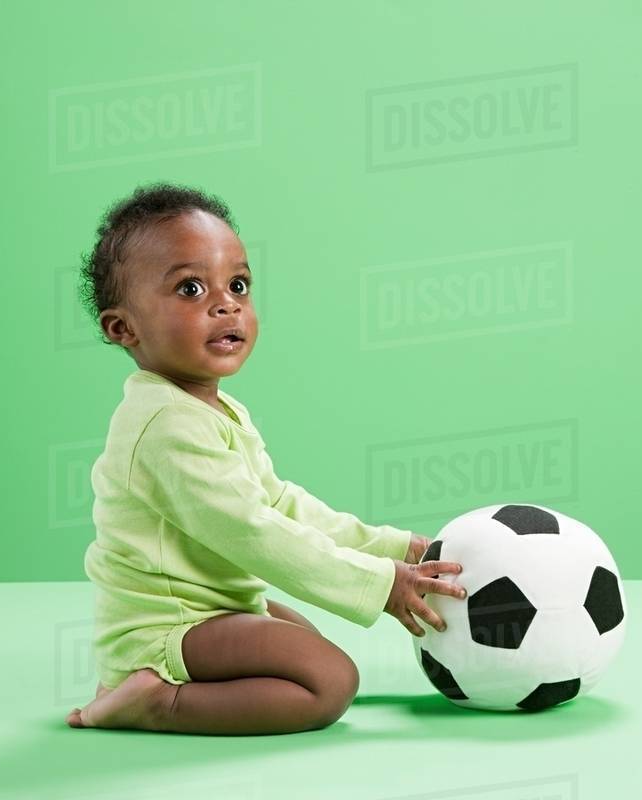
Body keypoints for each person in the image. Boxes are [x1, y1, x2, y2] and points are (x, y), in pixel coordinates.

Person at [65, 182, 467, 735]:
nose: (226, 303)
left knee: (305, 645)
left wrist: (394, 547)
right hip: (166, 624)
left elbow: (279, 504)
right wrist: (379, 583)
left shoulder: (212, 408)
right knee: (330, 682)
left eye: (238, 284)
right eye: (189, 288)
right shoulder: (164, 427)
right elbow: (252, 532)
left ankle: (152, 686)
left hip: (209, 609)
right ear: (123, 327)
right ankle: (154, 702)